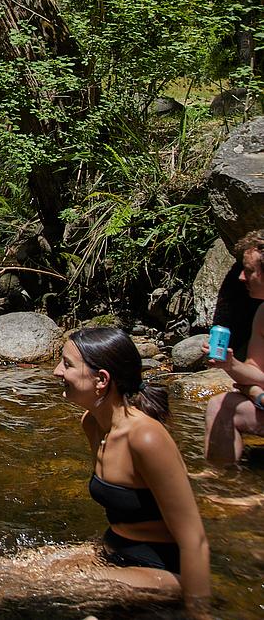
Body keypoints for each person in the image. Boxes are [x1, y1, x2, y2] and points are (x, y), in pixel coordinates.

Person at [53, 327, 211, 617]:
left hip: (162, 569)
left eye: (67, 364)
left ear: (101, 380)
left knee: (31, 583)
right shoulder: (92, 423)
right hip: (115, 552)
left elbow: (195, 540)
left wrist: (198, 612)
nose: (56, 371)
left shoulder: (146, 438)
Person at [203, 229, 264, 465]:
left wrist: (256, 392)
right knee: (220, 405)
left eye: (248, 271)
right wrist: (230, 364)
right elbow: (256, 372)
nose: (240, 277)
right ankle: (220, 483)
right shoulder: (262, 313)